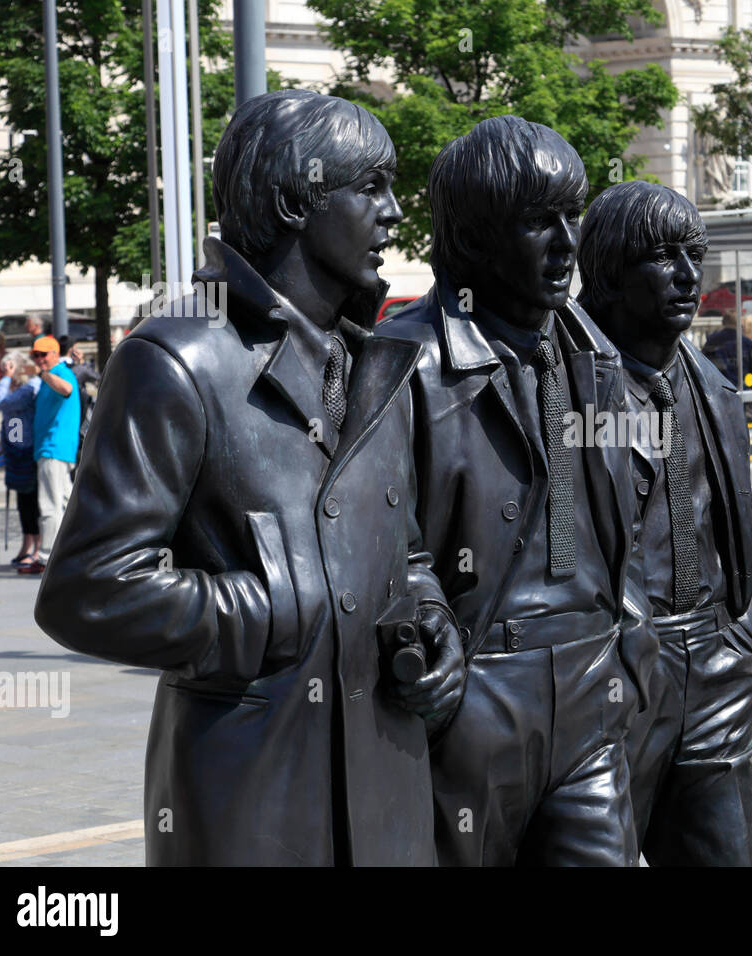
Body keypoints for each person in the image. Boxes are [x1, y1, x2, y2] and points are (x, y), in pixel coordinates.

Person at [34, 89, 463, 865]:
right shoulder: (177, 360)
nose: (396, 212)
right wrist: (264, 609)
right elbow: (87, 590)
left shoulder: (374, 361)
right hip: (254, 802)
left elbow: (405, 552)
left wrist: (432, 620)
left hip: (388, 791)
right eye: (371, 187)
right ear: (296, 198)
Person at [376, 115, 656, 866]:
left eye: (574, 215)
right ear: (473, 238)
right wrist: (425, 615)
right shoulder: (404, 362)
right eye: (539, 222)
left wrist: (634, 648)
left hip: (593, 685)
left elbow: (624, 520)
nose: (568, 242)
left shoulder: (595, 357)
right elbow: (377, 535)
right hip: (477, 692)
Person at [578, 180, 752, 866]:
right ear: (609, 269)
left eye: (696, 254)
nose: (690, 277)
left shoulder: (713, 388)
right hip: (616, 670)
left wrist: (738, 633)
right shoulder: (560, 382)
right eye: (663, 258)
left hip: (716, 663)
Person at [28, 335, 80, 571]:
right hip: (53, 449)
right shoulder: (52, 376)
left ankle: (46, 558)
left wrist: (44, 375)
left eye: (43, 354)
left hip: (54, 449)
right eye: (35, 355)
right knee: (69, 505)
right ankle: (76, 552)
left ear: (55, 354)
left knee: (49, 505)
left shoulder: (59, 373)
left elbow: (67, 389)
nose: (39, 359)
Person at [0, 351, 42, 568]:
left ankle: (37, 549)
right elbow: (11, 421)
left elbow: (0, 403)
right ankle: (26, 544)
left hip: (27, 453)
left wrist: (5, 378)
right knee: (23, 504)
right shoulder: (18, 388)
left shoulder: (30, 387)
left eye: (8, 368)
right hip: (16, 452)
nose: (5, 373)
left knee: (33, 503)